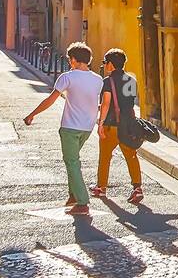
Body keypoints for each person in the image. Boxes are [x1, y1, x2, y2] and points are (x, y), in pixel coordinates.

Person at [23, 42, 102, 217]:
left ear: (73, 59)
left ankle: (82, 202)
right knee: (73, 160)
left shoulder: (67, 77)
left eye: (69, 59)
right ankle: (73, 195)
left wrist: (32, 114)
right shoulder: (98, 80)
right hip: (87, 128)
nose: (69, 62)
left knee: (72, 162)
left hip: (70, 127)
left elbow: (51, 100)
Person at [93, 48, 144, 206]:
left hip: (112, 125)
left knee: (105, 157)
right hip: (128, 125)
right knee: (131, 156)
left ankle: (101, 187)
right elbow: (130, 103)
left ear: (110, 64)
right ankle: (137, 188)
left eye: (105, 62)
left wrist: (100, 123)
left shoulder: (108, 82)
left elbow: (106, 103)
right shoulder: (131, 80)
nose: (105, 65)